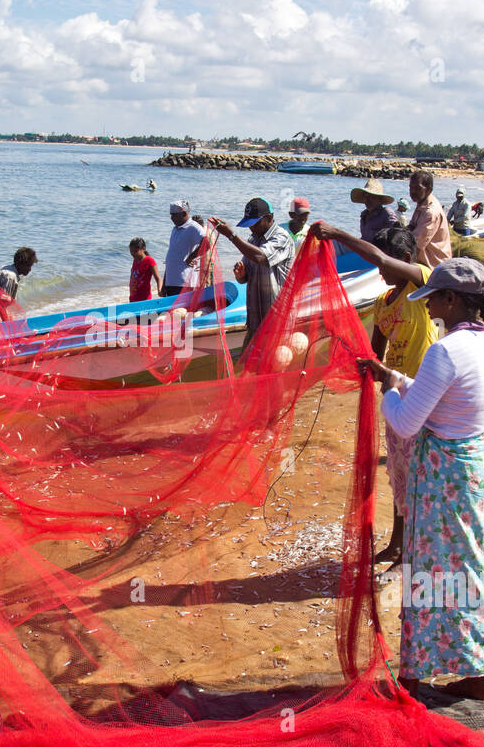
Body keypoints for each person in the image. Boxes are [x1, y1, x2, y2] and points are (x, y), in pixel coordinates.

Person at [359, 259, 484, 702]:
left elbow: (405, 424)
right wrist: (396, 377)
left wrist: (386, 392)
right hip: (478, 470)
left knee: (431, 572)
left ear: (453, 299)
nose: (432, 308)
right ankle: (478, 673)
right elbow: (446, 397)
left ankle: (416, 675)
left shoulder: (444, 350)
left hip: (446, 481)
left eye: (437, 299)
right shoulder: (483, 344)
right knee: (472, 571)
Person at [311, 221, 437, 566]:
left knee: (418, 475)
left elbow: (379, 257)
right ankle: (397, 543)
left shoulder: (421, 282)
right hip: (396, 397)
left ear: (406, 259)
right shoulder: (383, 301)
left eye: (384, 266)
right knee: (399, 473)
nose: (379, 272)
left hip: (424, 394)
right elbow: (374, 352)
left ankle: (413, 550)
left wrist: (336, 235)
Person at [207, 197, 294, 348]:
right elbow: (246, 273)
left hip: (276, 321)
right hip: (255, 320)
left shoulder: (282, 237)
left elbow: (261, 256)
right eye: (249, 225)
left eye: (255, 223)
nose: (251, 228)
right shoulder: (253, 239)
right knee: (250, 365)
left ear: (269, 218)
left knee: (275, 364)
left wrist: (232, 236)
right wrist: (241, 275)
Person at [409, 170, 452, 269]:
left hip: (434, 266)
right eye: (411, 188)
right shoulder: (422, 204)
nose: (412, 191)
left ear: (429, 189)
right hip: (426, 262)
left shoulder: (430, 212)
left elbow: (416, 245)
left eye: (417, 188)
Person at [162, 201, 205, 296]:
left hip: (184, 282)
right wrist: (164, 282)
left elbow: (208, 242)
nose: (171, 218)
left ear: (184, 213)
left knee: (182, 310)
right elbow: (171, 256)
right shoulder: (175, 229)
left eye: (174, 215)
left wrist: (192, 256)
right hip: (171, 281)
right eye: (171, 215)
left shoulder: (193, 227)